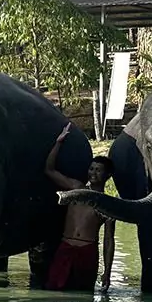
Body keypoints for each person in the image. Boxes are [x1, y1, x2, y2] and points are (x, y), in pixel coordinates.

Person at [43, 124, 115, 292]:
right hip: (65, 247)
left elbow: (108, 240)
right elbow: (49, 170)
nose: (93, 173)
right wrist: (58, 142)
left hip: (88, 251)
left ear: (108, 176)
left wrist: (107, 272)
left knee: (83, 297)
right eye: (91, 169)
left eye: (98, 170)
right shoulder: (76, 188)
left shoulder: (109, 204)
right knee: (54, 293)